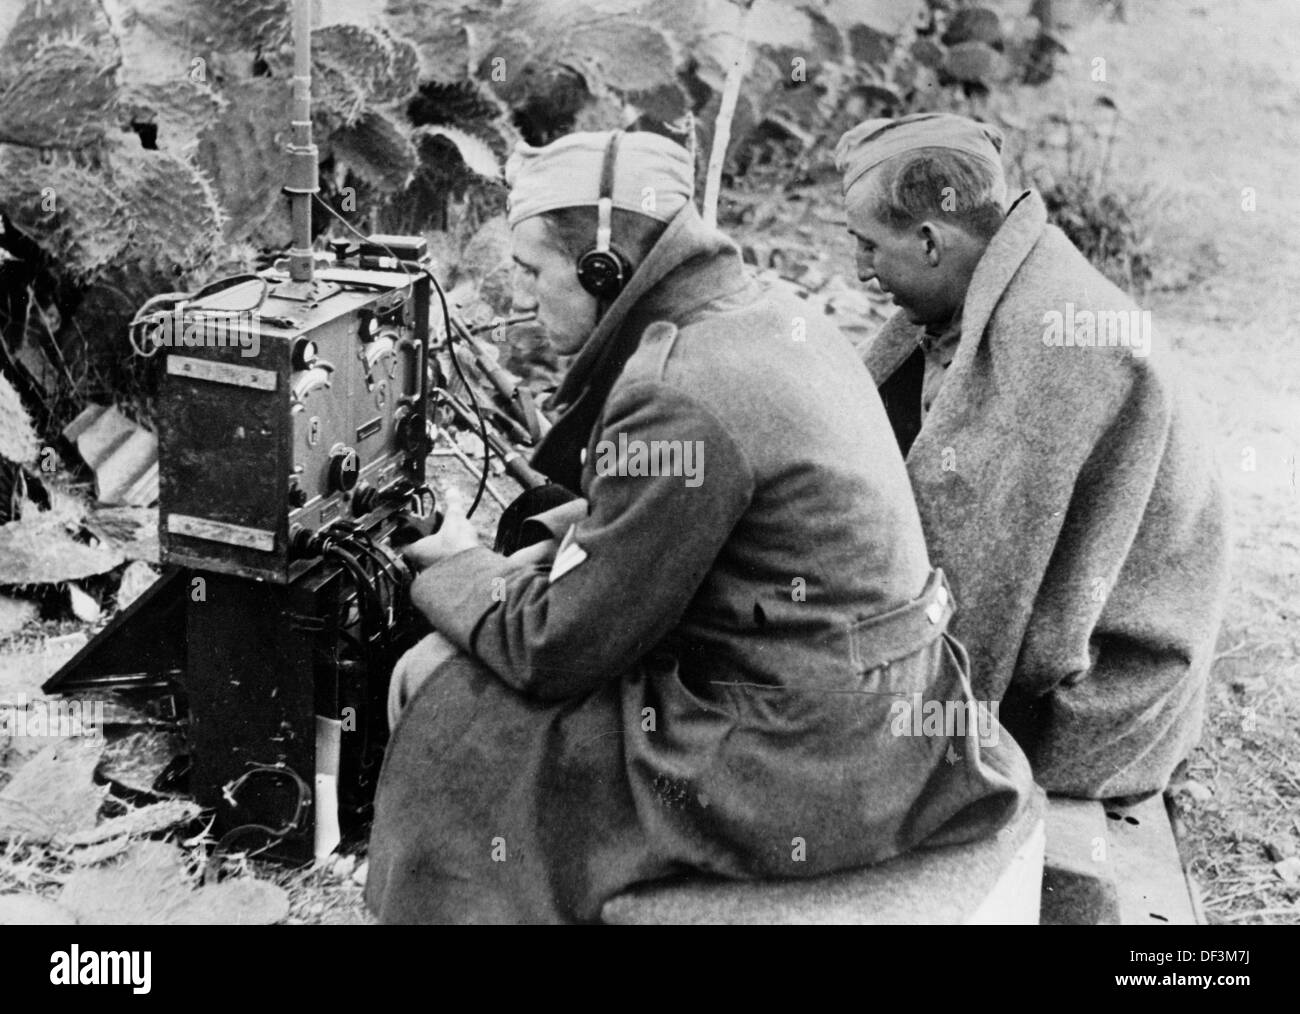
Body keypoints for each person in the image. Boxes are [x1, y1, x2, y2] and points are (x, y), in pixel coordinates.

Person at [364, 129, 1033, 924]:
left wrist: (456, 564)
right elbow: (732, 522)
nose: (520, 298)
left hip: (804, 760)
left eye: (531, 272)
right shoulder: (764, 314)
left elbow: (555, 649)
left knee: (451, 693)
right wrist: (574, 535)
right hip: (889, 717)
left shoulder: (677, 391)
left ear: (601, 269)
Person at [835, 112, 1229, 801]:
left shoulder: (1051, 344)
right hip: (1071, 651)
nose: (861, 273)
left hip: (1102, 702)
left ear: (931, 242)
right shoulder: (999, 280)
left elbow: (983, 603)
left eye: (867, 248)